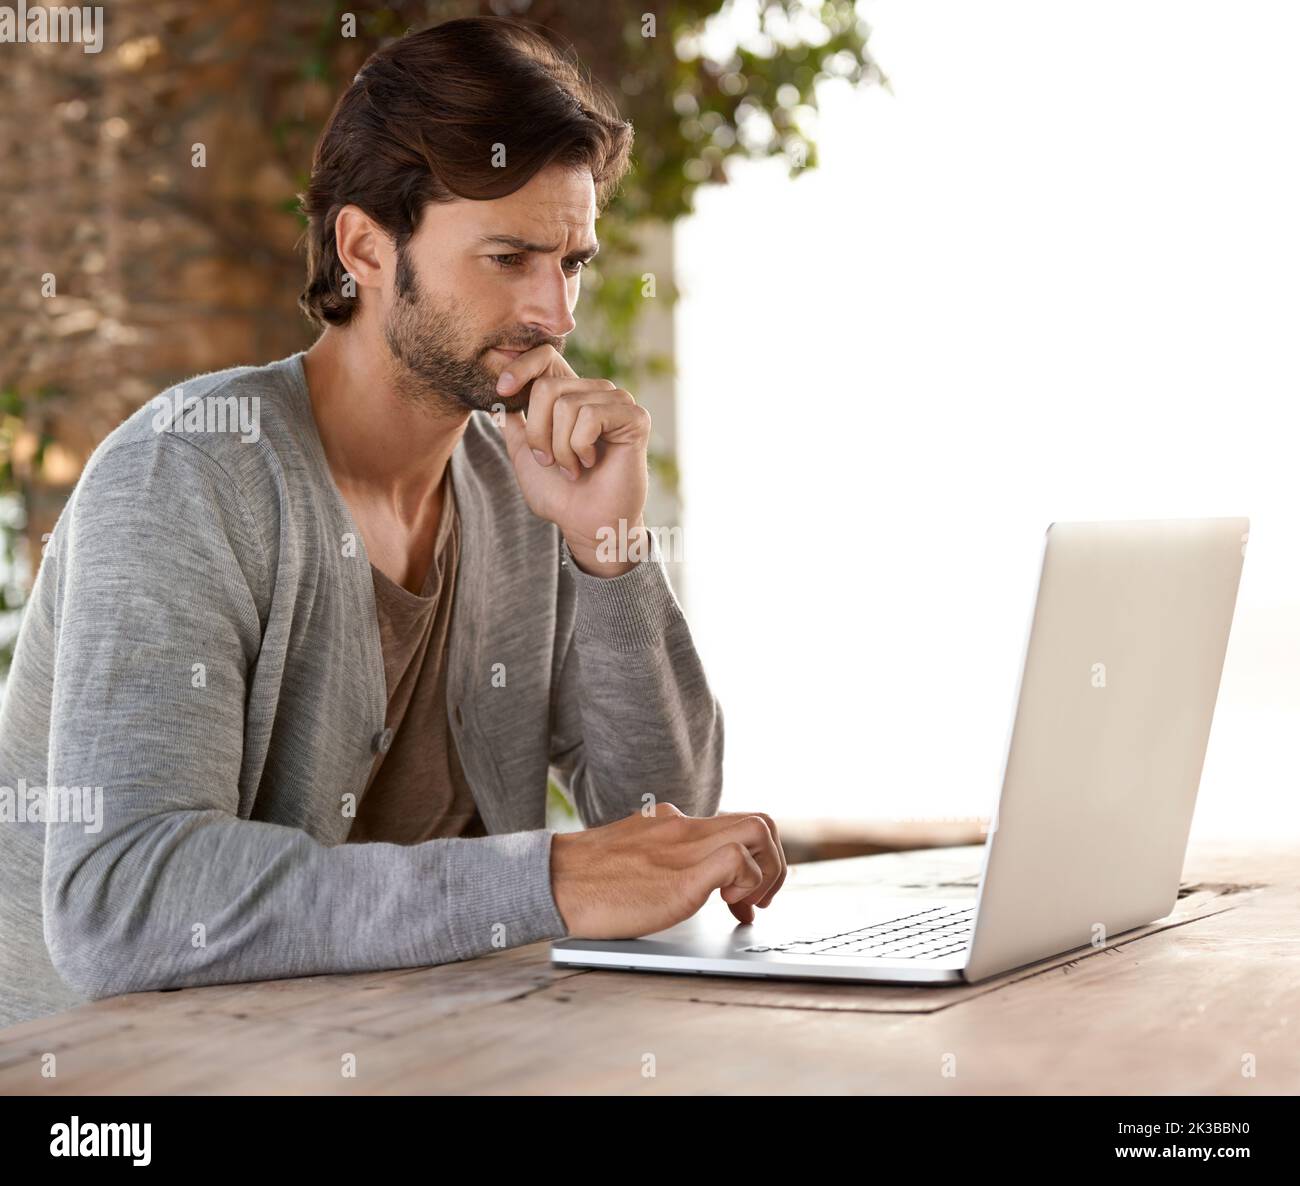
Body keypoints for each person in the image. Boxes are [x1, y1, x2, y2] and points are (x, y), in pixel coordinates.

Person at [0, 16, 786, 1029]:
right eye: (509, 257)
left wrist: (609, 553)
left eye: (574, 261)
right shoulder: (187, 476)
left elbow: (655, 826)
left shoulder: (521, 484)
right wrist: (542, 878)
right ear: (365, 246)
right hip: (127, 1083)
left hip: (413, 1049)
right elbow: (124, 901)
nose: (557, 312)